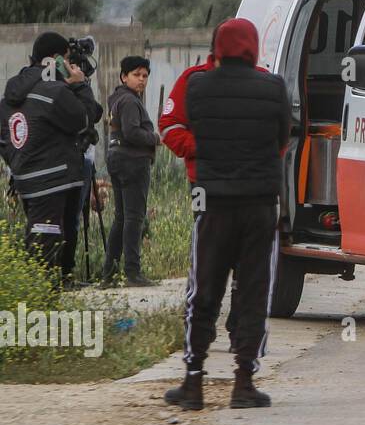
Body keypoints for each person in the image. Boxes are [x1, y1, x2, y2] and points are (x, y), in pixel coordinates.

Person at [165, 19, 290, 412]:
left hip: (211, 202)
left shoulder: (198, 84)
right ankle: (244, 383)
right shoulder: (273, 87)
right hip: (259, 205)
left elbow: (188, 128)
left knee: (203, 291)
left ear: (217, 47)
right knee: (253, 293)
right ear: (253, 47)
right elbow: (283, 139)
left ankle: (193, 382)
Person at [160, 29, 242, 350]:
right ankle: (199, 327)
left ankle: (240, 329)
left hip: (247, 184)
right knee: (206, 252)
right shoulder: (191, 81)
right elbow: (169, 127)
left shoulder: (260, 79)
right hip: (203, 182)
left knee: (245, 258)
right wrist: (204, 148)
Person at [0, 33, 102, 287]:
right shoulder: (52, 90)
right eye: (66, 59)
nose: (69, 63)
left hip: (28, 177)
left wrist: (17, 162)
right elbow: (86, 118)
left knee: (49, 230)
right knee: (46, 234)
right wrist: (80, 85)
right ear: (55, 59)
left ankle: (56, 283)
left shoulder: (13, 92)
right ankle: (41, 290)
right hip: (53, 174)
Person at [102, 56, 159, 287]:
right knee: (134, 218)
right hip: (133, 162)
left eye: (145, 76)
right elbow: (132, 132)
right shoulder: (129, 101)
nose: (142, 80)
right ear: (124, 76)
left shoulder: (117, 99)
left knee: (122, 217)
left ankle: (110, 274)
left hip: (117, 159)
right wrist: (154, 138)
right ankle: (132, 273)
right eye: (136, 75)